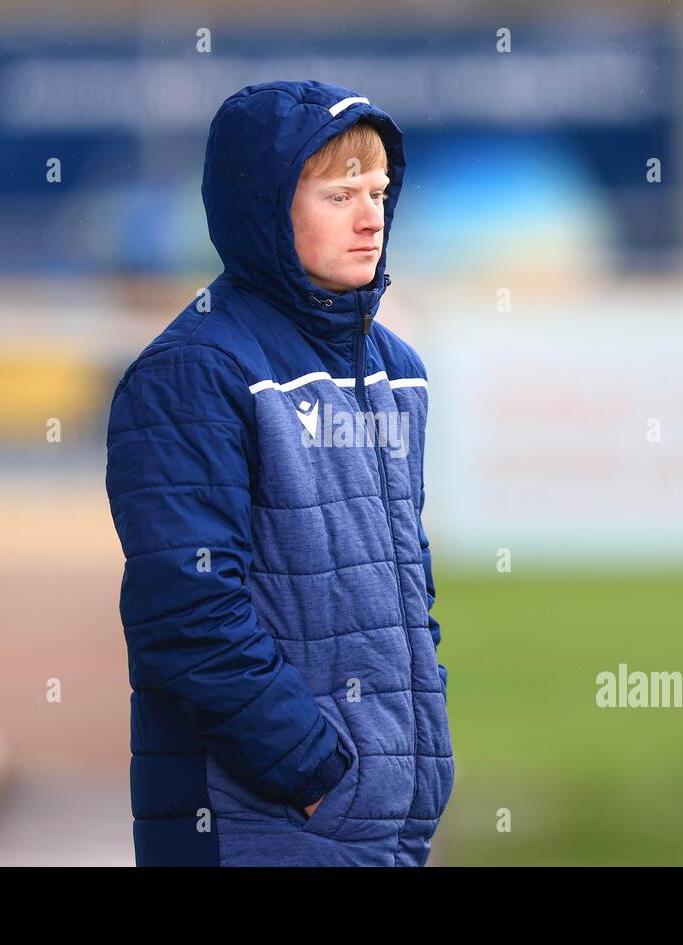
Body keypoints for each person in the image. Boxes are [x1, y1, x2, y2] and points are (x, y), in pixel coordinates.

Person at [105, 80, 453, 866]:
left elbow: (407, 588)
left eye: (378, 193)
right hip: (261, 826)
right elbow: (186, 610)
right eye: (339, 196)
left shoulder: (398, 370)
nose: (371, 218)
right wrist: (312, 772)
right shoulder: (194, 371)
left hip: (388, 822)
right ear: (263, 209)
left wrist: (415, 751)